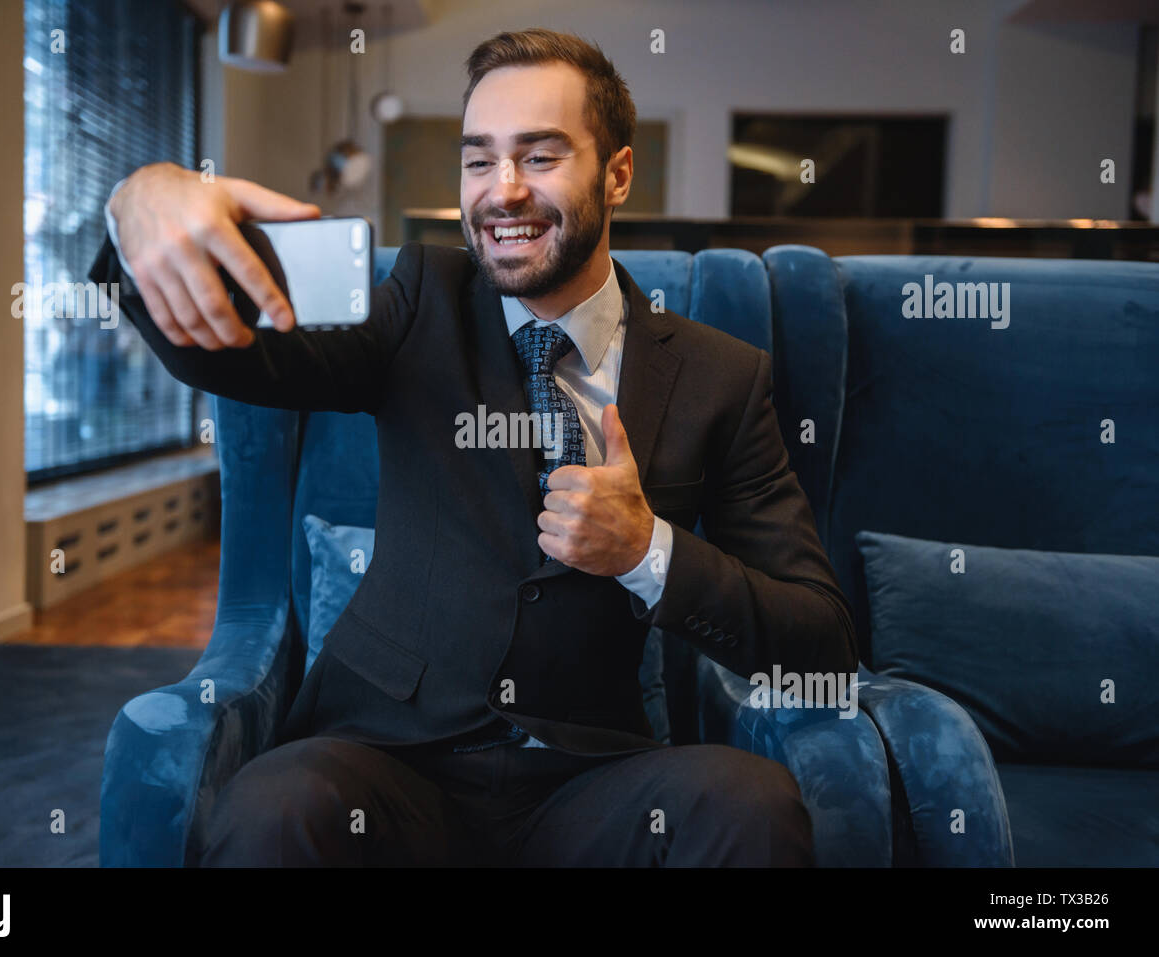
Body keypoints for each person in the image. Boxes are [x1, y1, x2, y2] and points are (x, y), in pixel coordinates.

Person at [89, 27, 857, 867]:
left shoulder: (721, 376)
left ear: (619, 174)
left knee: (751, 807)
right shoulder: (420, 299)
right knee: (276, 807)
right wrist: (141, 202)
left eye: (540, 155)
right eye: (479, 160)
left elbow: (818, 640)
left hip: (590, 781)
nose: (504, 192)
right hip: (383, 767)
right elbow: (231, 351)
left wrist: (649, 551)